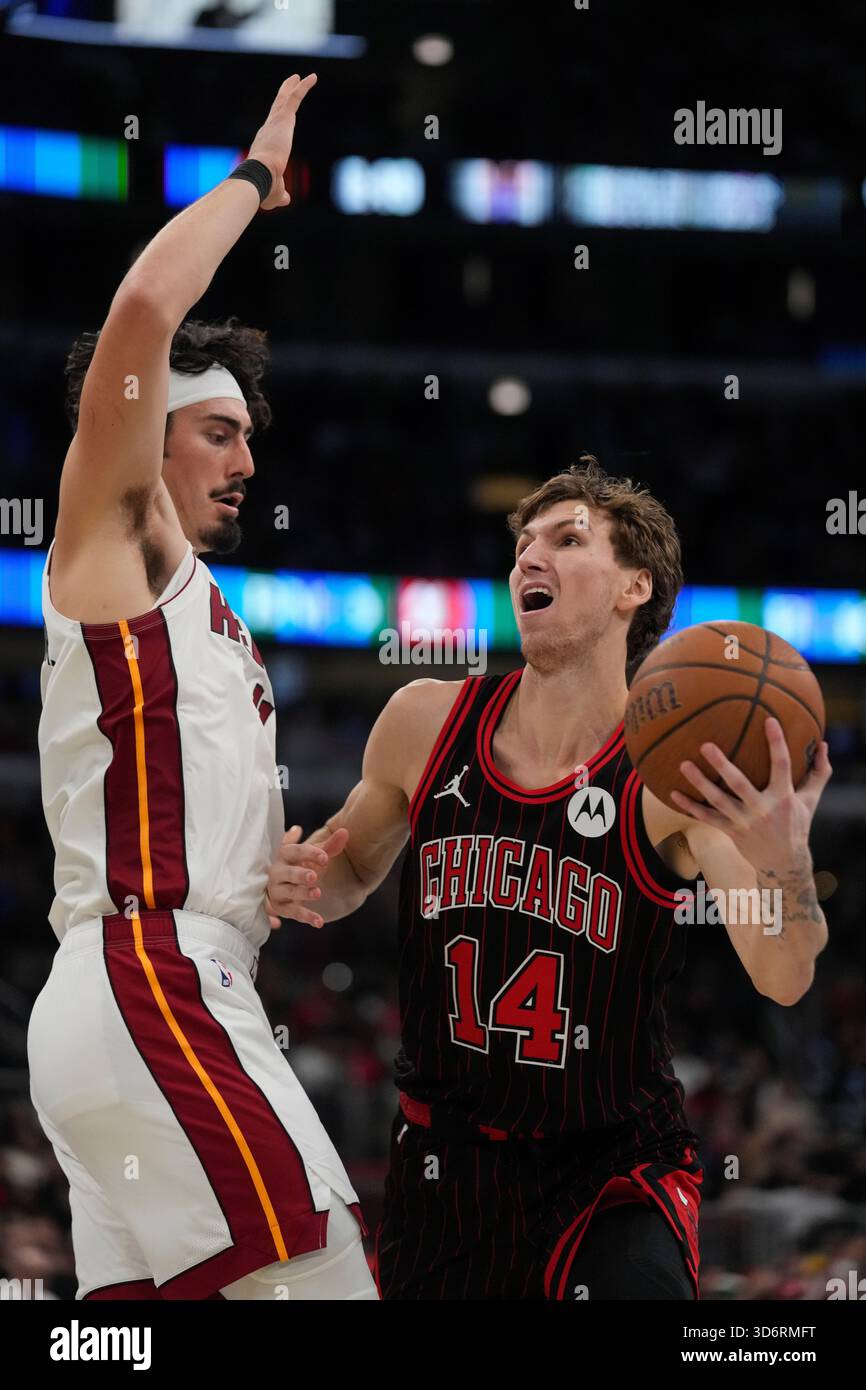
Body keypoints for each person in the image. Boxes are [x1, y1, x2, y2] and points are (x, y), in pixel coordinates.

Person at [265, 456, 832, 1300]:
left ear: (635, 587)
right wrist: (299, 877)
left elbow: (784, 973)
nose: (531, 556)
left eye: (568, 540)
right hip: (444, 1167)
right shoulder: (424, 721)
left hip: (610, 1166)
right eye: (524, 543)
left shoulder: (671, 779)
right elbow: (349, 869)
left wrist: (784, 861)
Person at [28, 74, 378, 1301]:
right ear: (149, 436)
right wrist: (251, 178)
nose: (244, 456)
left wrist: (273, 884)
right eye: (218, 430)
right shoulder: (113, 543)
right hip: (150, 985)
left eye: (247, 437)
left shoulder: (214, 623)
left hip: (146, 992)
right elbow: (142, 307)